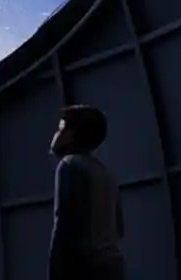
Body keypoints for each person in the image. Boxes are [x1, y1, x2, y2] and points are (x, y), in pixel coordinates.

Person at [49, 104, 125, 280]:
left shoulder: (69, 166)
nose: (55, 135)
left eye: (60, 129)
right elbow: (119, 229)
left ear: (72, 135)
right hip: (113, 267)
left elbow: (64, 226)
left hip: (85, 269)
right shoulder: (106, 173)